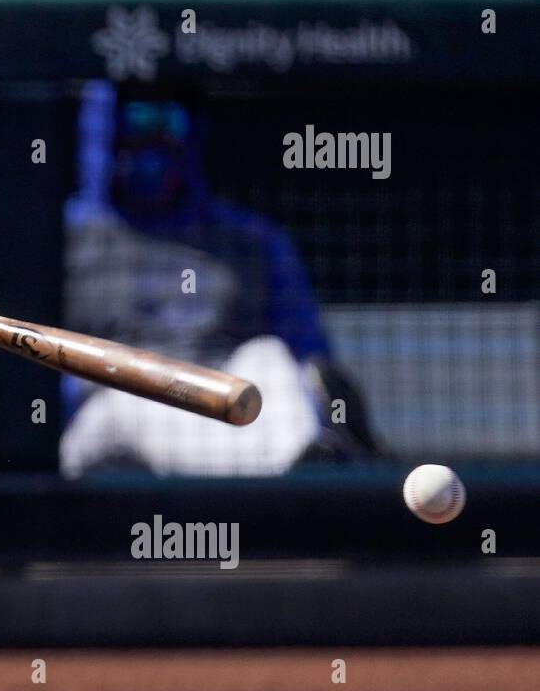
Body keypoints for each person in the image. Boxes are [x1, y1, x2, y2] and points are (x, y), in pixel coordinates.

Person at [61, 87, 376, 477]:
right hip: (110, 408)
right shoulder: (61, 240)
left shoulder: (251, 241)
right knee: (130, 397)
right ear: (105, 131)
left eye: (168, 122)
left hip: (222, 409)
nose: (152, 140)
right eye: (137, 121)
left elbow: (311, 358)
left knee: (268, 356)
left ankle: (304, 481)